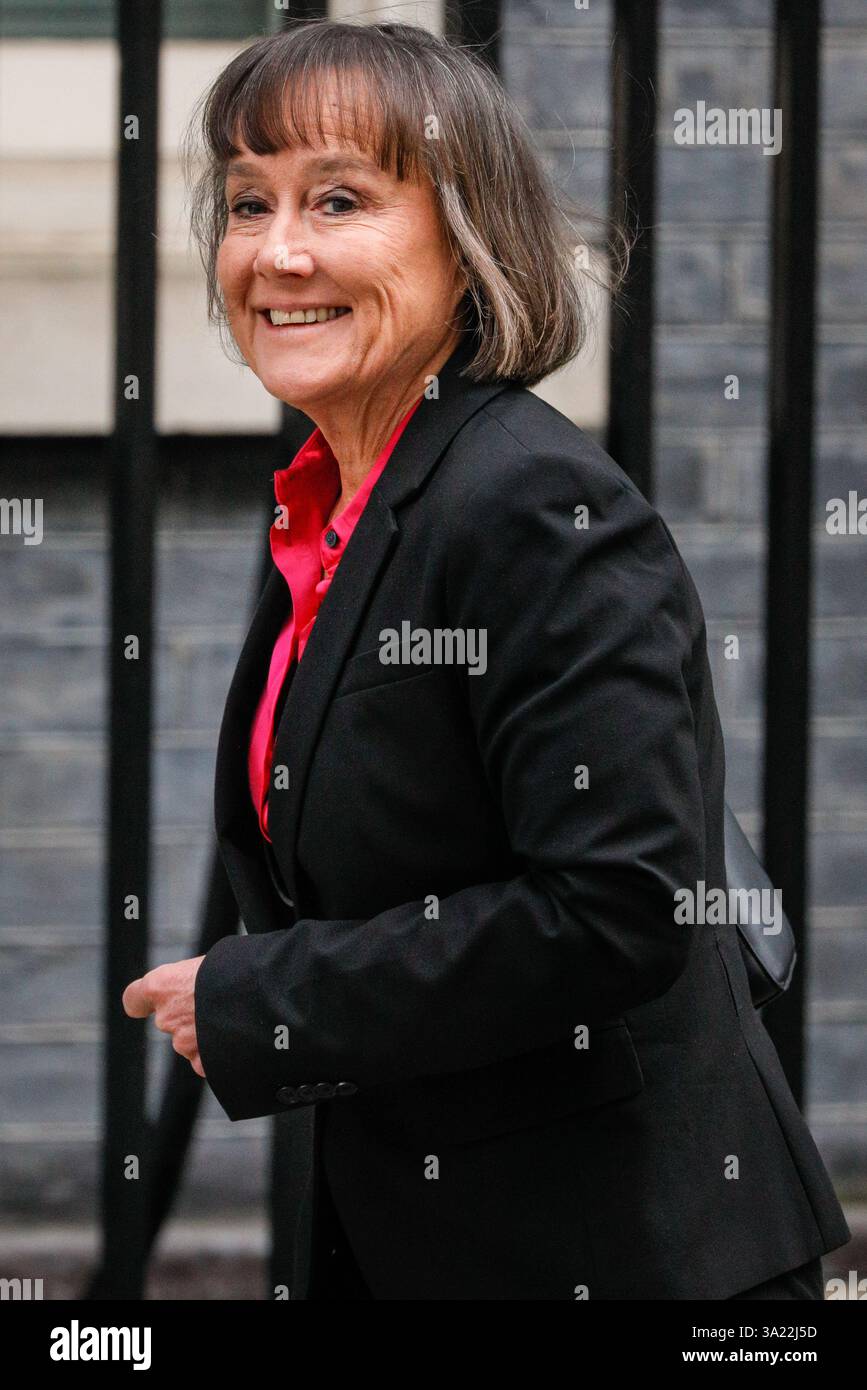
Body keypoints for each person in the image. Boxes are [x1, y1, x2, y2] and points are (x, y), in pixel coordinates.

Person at [122, 20, 850, 1300]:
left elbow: (612, 906)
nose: (277, 251)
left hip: (624, 1259)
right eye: (248, 202)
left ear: (468, 243)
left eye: (338, 197)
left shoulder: (527, 503)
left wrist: (261, 995)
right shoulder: (340, 509)